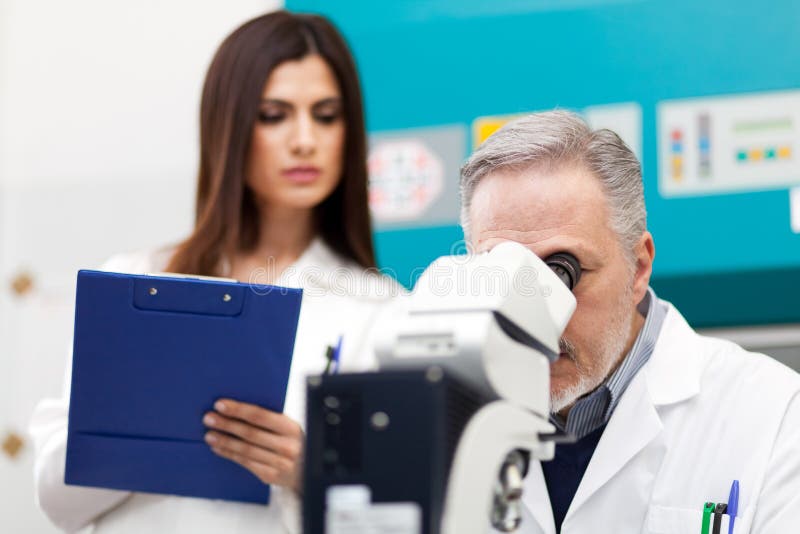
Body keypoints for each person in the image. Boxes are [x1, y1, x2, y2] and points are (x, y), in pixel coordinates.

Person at [30, 10, 400, 534]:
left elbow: (402, 510)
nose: (303, 140)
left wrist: (311, 470)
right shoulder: (136, 281)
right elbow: (55, 499)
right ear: (228, 125)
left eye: (325, 115)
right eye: (273, 114)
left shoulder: (383, 309)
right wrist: (137, 430)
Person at [459, 110, 800, 534]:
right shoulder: (440, 420)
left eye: (560, 273)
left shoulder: (775, 416)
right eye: (502, 274)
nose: (532, 315)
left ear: (638, 267)